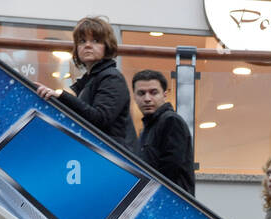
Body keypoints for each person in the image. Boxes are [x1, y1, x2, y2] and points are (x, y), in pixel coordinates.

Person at [35, 17, 139, 154]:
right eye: (82, 41)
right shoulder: (90, 80)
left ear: (106, 46)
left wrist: (61, 96)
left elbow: (100, 119)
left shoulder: (112, 77)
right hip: (102, 156)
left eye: (95, 41)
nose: (87, 45)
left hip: (115, 161)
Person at [132, 69, 195, 195]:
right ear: (134, 96)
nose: (147, 98)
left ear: (164, 94)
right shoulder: (148, 127)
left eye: (153, 93)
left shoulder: (170, 121)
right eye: (141, 93)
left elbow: (169, 171)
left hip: (170, 202)